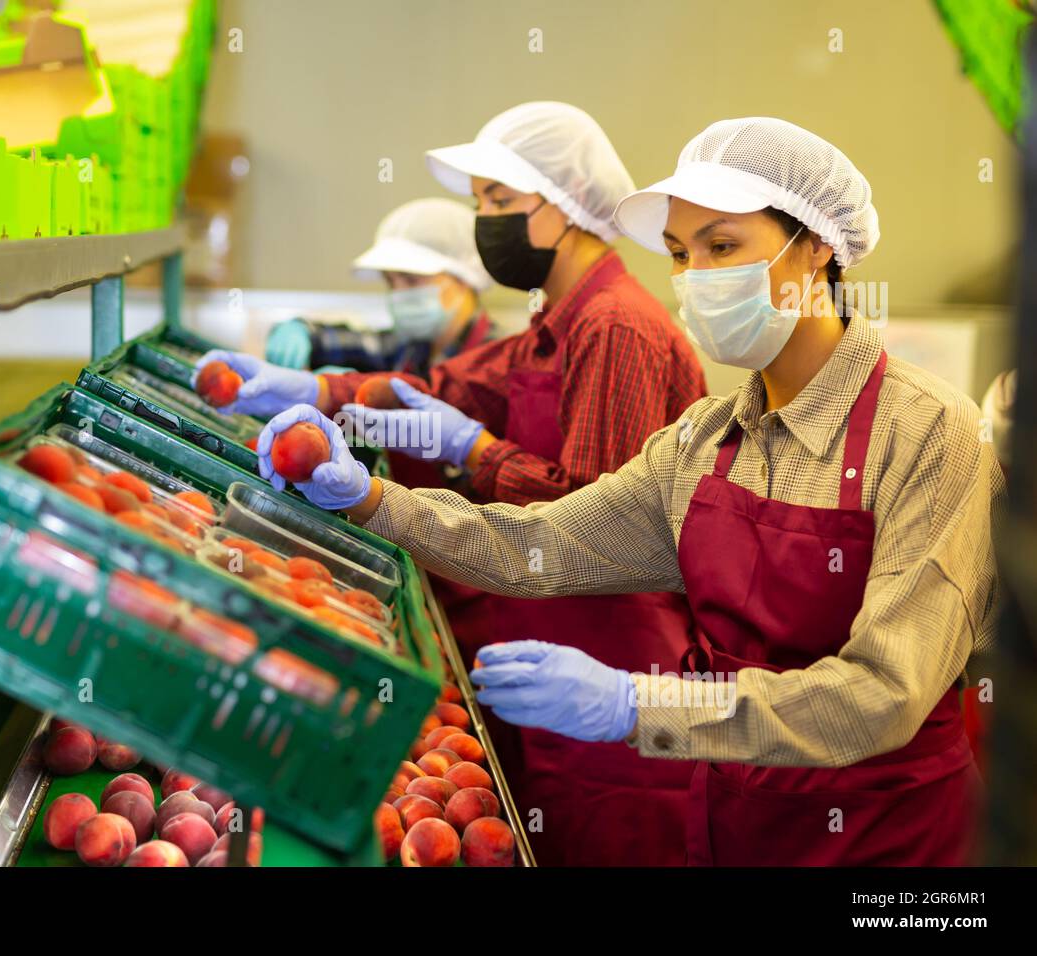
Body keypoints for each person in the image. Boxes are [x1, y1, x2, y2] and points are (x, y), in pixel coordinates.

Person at [254, 117, 1003, 866]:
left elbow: (882, 696)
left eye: (722, 246)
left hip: (885, 847)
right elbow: (538, 546)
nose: (694, 278)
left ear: (816, 248)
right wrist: (368, 501)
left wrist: (634, 704)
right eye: (679, 255)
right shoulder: (704, 441)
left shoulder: (929, 433)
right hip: (730, 825)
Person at [201, 102, 708, 866]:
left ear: (566, 205)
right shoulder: (552, 325)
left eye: (501, 202)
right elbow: (439, 386)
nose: (486, 221)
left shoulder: (616, 327)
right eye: (479, 203)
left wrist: (474, 452)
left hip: (614, 665)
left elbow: (601, 527)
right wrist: (310, 390)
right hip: (550, 647)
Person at [265, 198, 496, 374]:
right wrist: (301, 331)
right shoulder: (411, 349)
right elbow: (352, 342)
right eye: (390, 281)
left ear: (464, 277)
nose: (399, 294)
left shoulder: (495, 359)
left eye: (412, 279)